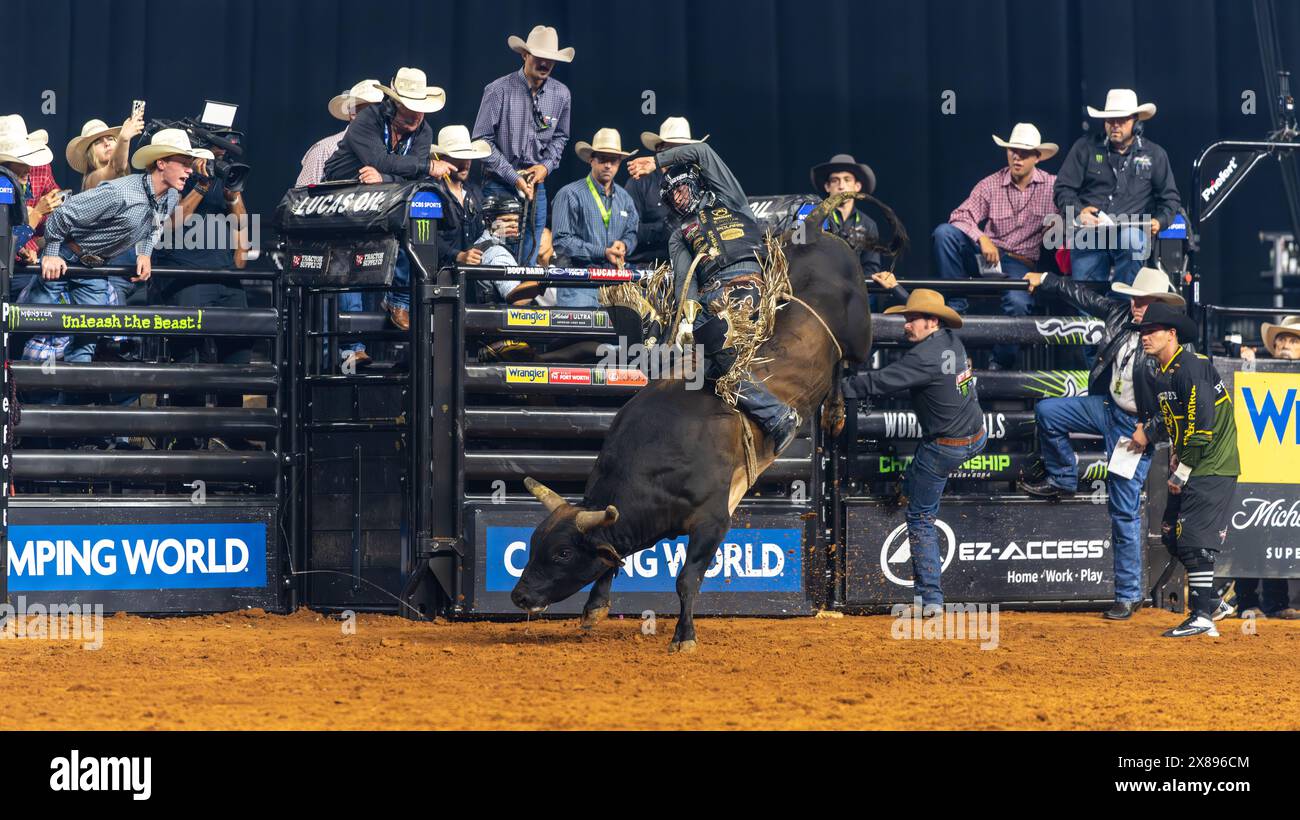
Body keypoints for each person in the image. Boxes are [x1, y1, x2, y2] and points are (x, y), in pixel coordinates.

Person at [1019, 266, 1184, 619]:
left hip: (1133, 427)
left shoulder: (1170, 343)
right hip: (1107, 407)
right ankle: (1064, 476)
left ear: (1159, 304)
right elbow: (1084, 297)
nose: (1137, 305)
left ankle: (1127, 595)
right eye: (1135, 299)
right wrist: (1047, 279)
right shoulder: (1119, 313)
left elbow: (1180, 402)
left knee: (1123, 510)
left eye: (1145, 300)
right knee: (1048, 412)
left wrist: (1151, 430)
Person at [626, 140, 801, 452]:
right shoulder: (680, 234)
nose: (679, 198)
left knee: (709, 358)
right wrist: (684, 324)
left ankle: (776, 414)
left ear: (695, 183)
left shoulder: (730, 198)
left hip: (746, 283)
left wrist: (656, 162)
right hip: (709, 298)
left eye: (681, 189)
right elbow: (685, 281)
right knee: (682, 365)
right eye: (673, 197)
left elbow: (703, 153)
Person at [842, 274, 986, 609]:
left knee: (920, 517)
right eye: (906, 318)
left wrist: (833, 389)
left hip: (944, 448)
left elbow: (875, 383)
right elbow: (927, 311)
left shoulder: (923, 359)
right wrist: (897, 289)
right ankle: (912, 485)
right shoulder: (951, 338)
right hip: (976, 435)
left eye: (912, 319)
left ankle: (930, 598)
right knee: (923, 477)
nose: (906, 325)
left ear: (931, 322)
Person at [31, 128, 209, 367]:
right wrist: (52, 253)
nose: (190, 170)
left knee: (87, 339)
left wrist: (145, 252)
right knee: (37, 328)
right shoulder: (120, 192)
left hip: (94, 270)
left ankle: (73, 401)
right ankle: (21, 398)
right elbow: (62, 214)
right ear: (162, 164)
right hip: (65, 257)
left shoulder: (170, 196)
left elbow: (154, 225)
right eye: (184, 163)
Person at [1133, 302, 1239, 637]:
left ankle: (1202, 615)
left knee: (1194, 541)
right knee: (1169, 534)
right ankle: (1212, 604)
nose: (1145, 337)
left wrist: (1182, 470)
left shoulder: (1192, 366)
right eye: (1143, 332)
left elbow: (1202, 427)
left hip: (1211, 464)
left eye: (1152, 331)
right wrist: (1157, 439)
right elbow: (1173, 421)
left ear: (1172, 334)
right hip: (1195, 462)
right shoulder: (1163, 373)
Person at [325, 67, 450, 332]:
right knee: (350, 260)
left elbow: (405, 178)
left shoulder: (423, 130)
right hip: (346, 195)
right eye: (410, 108)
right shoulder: (367, 119)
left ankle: (400, 303)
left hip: (385, 197)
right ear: (393, 105)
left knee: (411, 231)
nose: (417, 115)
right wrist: (425, 166)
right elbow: (380, 159)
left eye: (421, 108)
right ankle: (352, 347)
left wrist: (385, 177)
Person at [932, 123, 1058, 369]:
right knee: (944, 233)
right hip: (987, 256)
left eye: (1024, 152)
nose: (1017, 157)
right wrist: (982, 237)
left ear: (1037, 157)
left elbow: (1071, 214)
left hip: (1020, 263)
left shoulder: (1054, 187)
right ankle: (956, 304)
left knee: (1019, 303)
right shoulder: (991, 184)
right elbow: (959, 215)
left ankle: (1000, 364)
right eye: (1012, 150)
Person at [1054, 89, 1181, 287]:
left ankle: (1121, 308)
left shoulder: (1154, 154)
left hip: (1131, 228)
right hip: (1090, 230)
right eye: (1110, 120)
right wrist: (1079, 211)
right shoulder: (1085, 148)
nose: (1114, 125)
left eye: (1121, 120)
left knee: (1132, 240)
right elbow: (1063, 189)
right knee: (1086, 293)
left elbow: (1170, 199)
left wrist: (1159, 221)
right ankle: (1093, 312)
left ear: (1135, 121)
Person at [472, 24, 574, 266]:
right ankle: (497, 302)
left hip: (536, 186)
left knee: (530, 254)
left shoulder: (561, 95)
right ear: (524, 55)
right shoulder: (498, 90)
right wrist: (513, 176)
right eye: (539, 57)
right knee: (498, 253)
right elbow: (481, 141)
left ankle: (522, 302)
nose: (545, 64)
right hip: (499, 185)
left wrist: (545, 167)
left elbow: (561, 137)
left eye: (550, 59)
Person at [1234, 314, 1300, 619]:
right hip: (1258, 463)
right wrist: (1246, 364)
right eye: (1282, 340)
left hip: (1290, 465)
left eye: (1294, 340)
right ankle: (1247, 600)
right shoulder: (1256, 370)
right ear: (1272, 347)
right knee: (1253, 532)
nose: (1286, 345)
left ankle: (1277, 600)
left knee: (1283, 536)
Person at [550, 128, 639, 307]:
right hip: (579, 282)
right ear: (591, 159)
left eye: (613, 160)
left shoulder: (625, 198)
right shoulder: (569, 194)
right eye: (602, 159)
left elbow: (632, 233)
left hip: (616, 283)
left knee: (627, 333)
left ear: (619, 162)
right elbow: (561, 241)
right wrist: (603, 252)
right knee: (582, 334)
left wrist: (625, 245)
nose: (608, 165)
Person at [627, 117, 705, 265]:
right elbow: (629, 230)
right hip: (648, 266)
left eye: (684, 150)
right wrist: (667, 226)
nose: (679, 156)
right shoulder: (639, 182)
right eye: (673, 150)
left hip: (689, 263)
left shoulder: (697, 181)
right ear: (659, 150)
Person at [0, 115, 60, 293]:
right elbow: (4, 248)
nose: (29, 168)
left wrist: (22, 252)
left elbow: (10, 245)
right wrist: (36, 214)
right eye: (22, 160)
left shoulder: (10, 182)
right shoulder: (3, 185)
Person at [296, 80, 384, 188]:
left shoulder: (390, 149)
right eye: (371, 111)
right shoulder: (325, 149)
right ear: (353, 113)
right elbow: (302, 196)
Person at [810, 153, 883, 277]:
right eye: (835, 180)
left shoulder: (868, 224)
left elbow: (871, 268)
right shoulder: (814, 219)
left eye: (847, 179)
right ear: (827, 187)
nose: (841, 186)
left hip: (855, 293)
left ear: (857, 186)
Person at [67, 111, 146, 191]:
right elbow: (116, 167)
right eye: (98, 142)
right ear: (90, 154)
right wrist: (124, 138)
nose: (107, 143)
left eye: (110, 139)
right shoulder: (91, 179)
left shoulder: (125, 170)